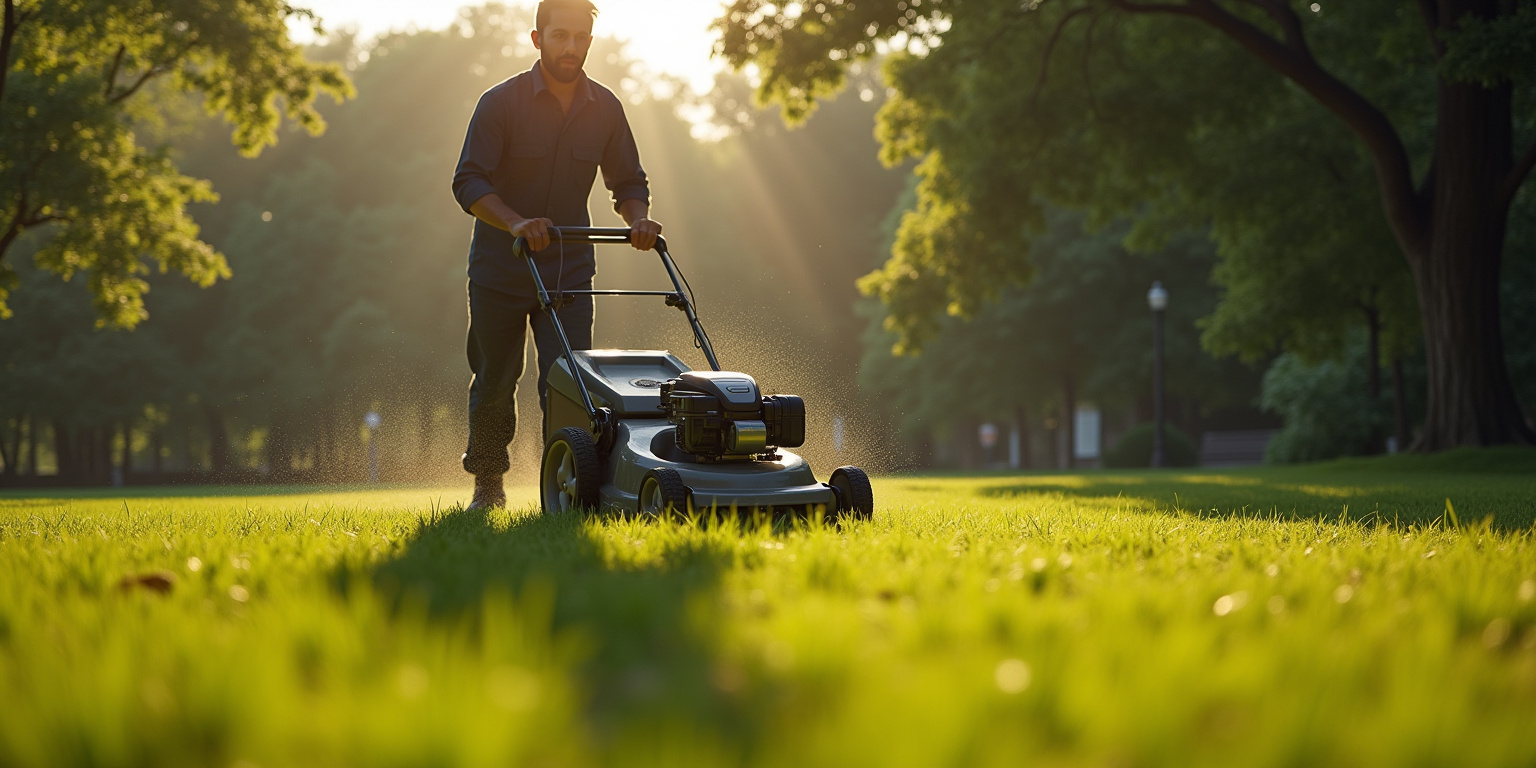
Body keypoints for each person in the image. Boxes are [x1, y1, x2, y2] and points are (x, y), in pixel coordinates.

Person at [452, 0, 661, 510]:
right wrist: (516, 221)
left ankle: (569, 486)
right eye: (560, 36)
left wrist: (636, 218)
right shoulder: (501, 103)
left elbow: (628, 180)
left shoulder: (606, 108)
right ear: (537, 38)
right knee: (496, 382)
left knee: (570, 384)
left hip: (569, 271)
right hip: (501, 269)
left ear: (590, 41)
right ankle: (488, 484)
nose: (571, 47)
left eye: (581, 38)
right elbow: (469, 182)